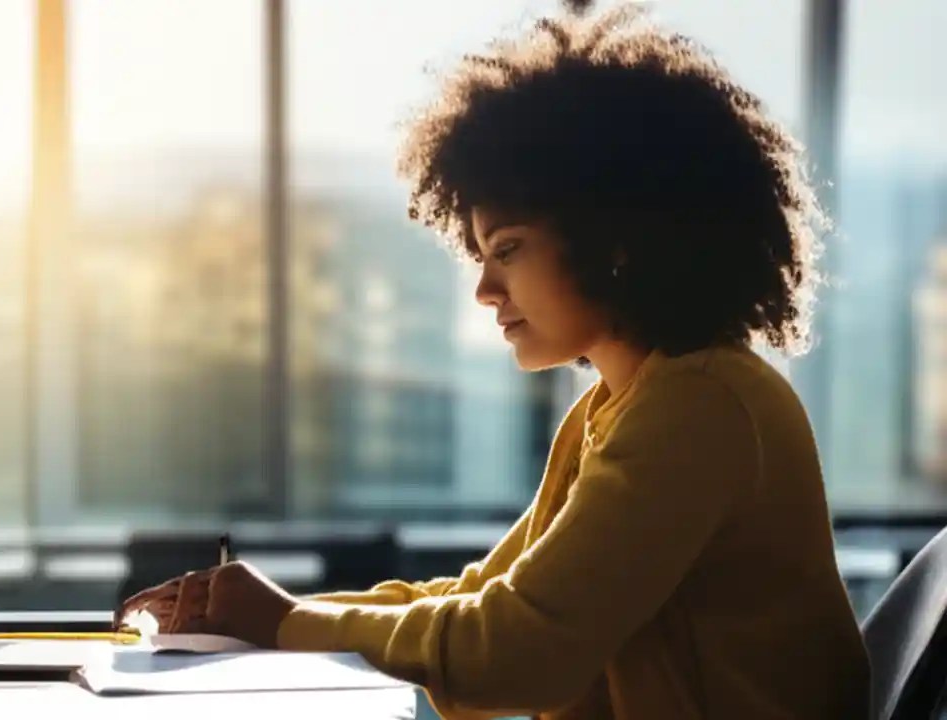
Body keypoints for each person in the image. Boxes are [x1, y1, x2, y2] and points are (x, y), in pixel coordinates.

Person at [115, 3, 871, 718]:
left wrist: (285, 622)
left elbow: (517, 649)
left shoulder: (698, 408)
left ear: (616, 238)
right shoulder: (625, 404)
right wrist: (271, 614)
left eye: (507, 249)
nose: (484, 290)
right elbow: (494, 595)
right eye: (482, 255)